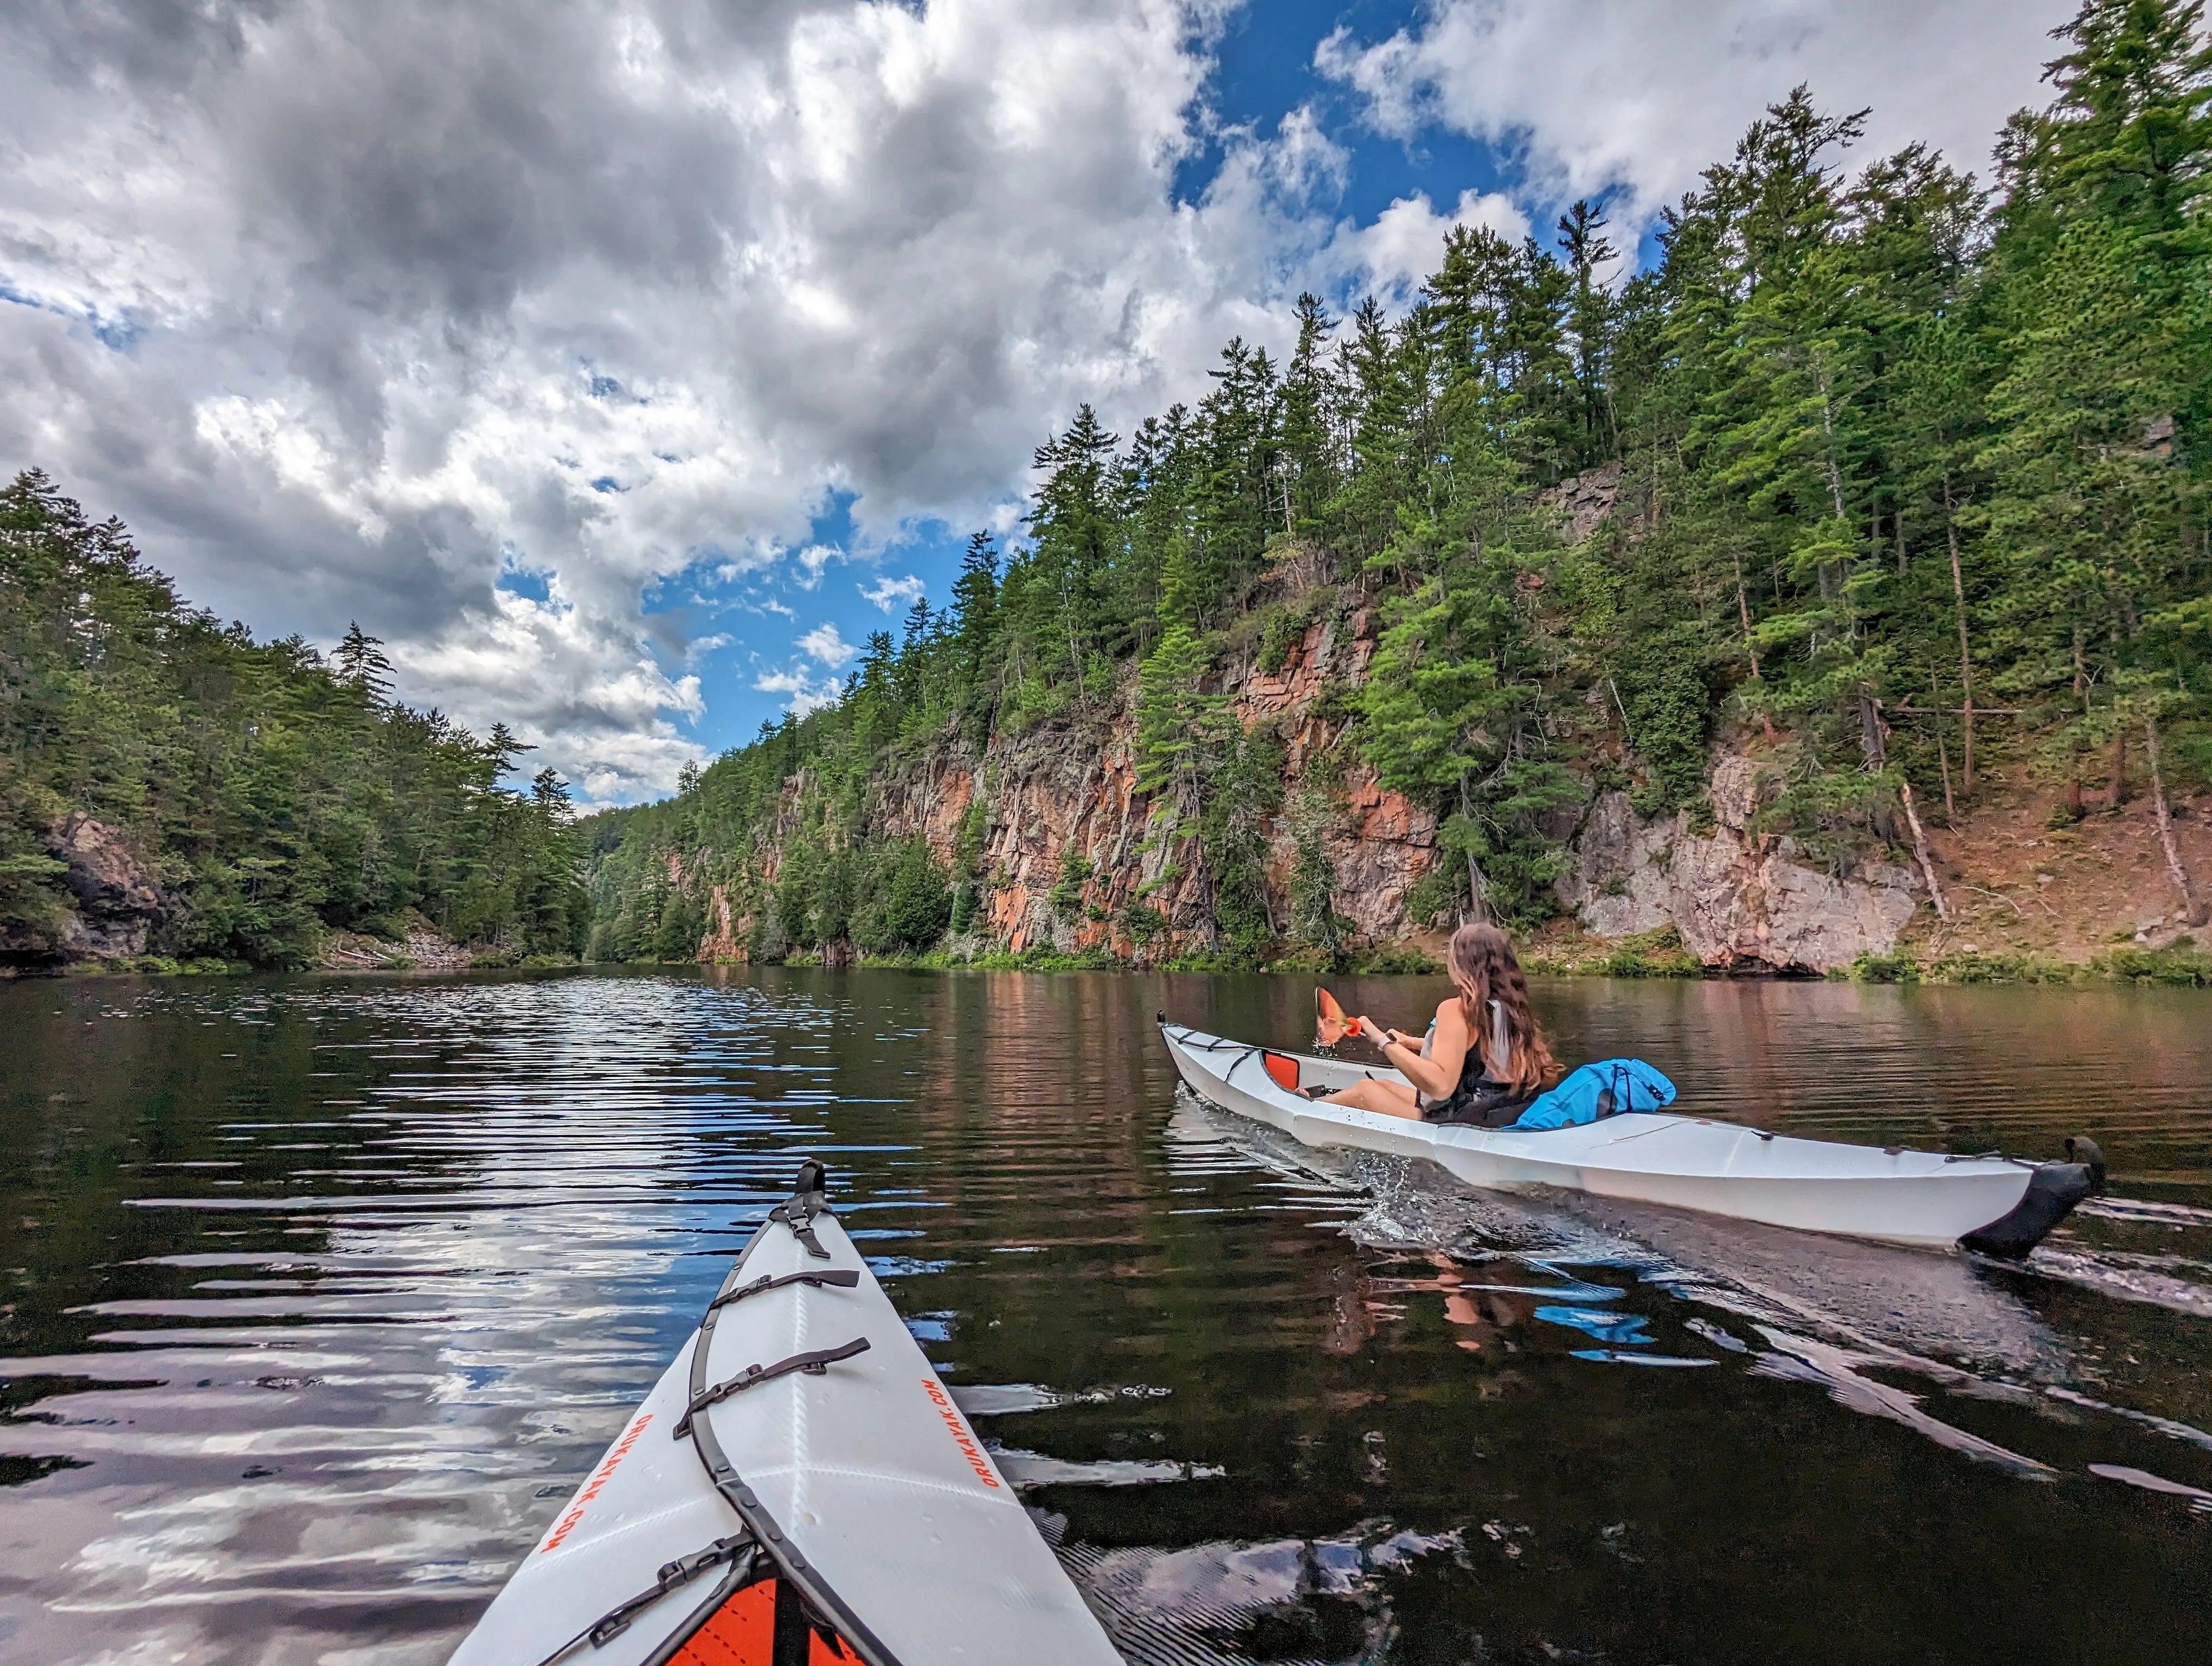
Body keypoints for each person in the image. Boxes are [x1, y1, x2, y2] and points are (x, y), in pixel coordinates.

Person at [1322, 922, 1559, 1124]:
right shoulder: (1512, 1007)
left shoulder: (1455, 1009)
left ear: (1461, 964)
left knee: (1365, 1091)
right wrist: (1409, 1042)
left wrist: (1381, 1040)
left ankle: (1305, 1105)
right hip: (1499, 1112)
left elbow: (1441, 1086)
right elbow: (1472, 1052)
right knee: (1383, 1084)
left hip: (1459, 1121)